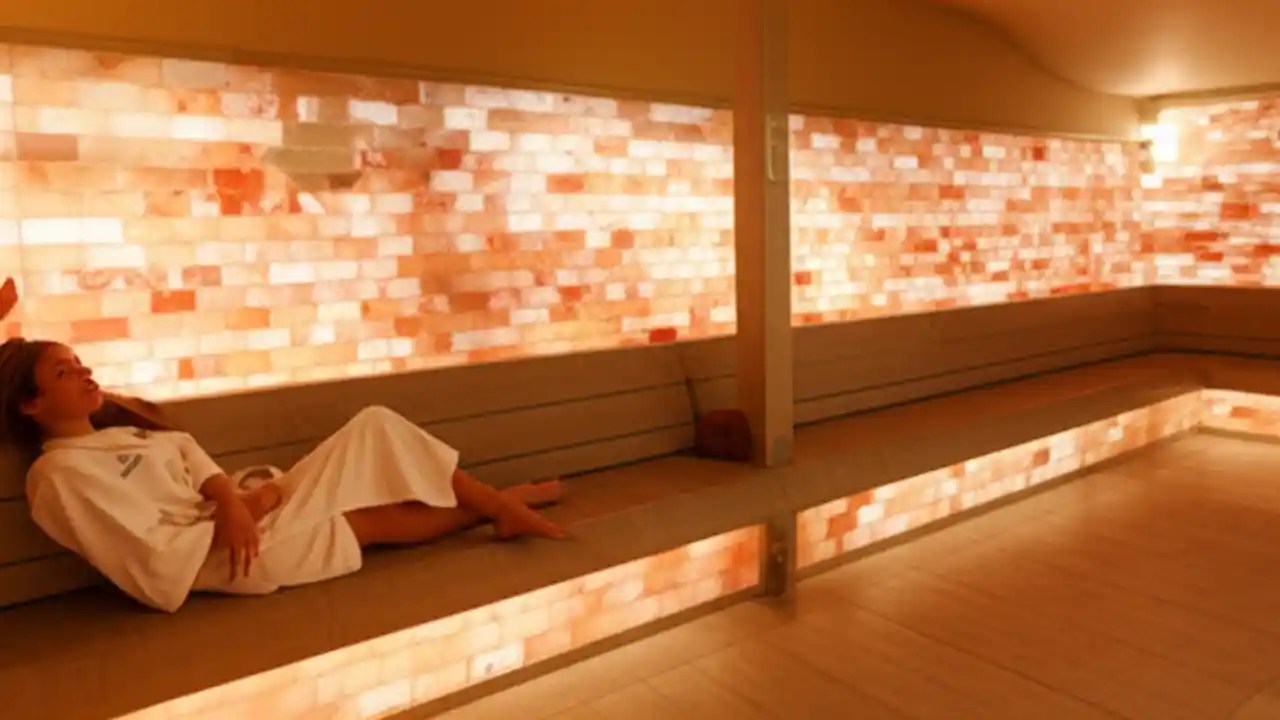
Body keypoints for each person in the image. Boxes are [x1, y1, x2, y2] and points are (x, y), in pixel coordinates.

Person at [0, 286, 566, 613]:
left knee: (373, 431)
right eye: (64, 371)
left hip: (245, 516)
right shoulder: (58, 478)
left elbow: (188, 453)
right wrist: (250, 507)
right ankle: (501, 505)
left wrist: (237, 499)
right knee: (364, 511)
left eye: (80, 363)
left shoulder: (120, 435)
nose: (85, 372)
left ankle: (498, 507)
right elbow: (149, 555)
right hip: (232, 555)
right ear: (30, 404)